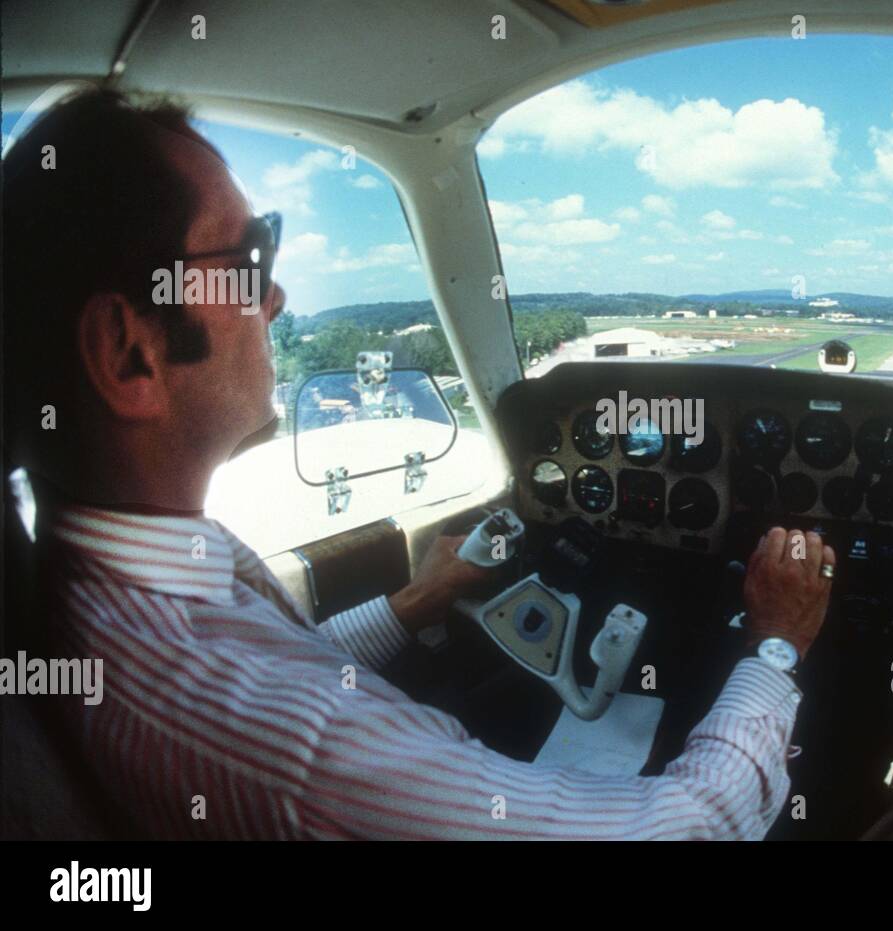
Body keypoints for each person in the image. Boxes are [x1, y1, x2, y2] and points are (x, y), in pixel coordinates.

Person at [1, 88, 835, 839]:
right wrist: (774, 645)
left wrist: (415, 600)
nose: (278, 299)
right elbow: (683, 827)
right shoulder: (294, 747)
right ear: (129, 351)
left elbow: (278, 664)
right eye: (247, 260)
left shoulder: (110, 595)